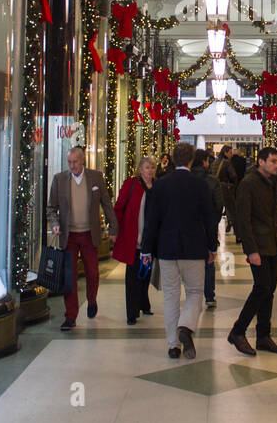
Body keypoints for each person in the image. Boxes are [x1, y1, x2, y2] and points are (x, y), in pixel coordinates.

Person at [140, 141, 218, 359]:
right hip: (194, 248)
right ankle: (185, 326)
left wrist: (146, 250)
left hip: (167, 249)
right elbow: (209, 219)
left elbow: (152, 220)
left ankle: (173, 345)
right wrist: (213, 246)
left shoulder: (161, 185)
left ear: (173, 159)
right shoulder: (200, 185)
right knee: (195, 292)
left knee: (171, 296)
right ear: (191, 160)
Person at [48, 146, 118, 330]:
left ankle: (92, 300)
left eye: (75, 162)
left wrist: (113, 227)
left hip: (89, 233)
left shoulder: (95, 177)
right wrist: (54, 223)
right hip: (68, 235)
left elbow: (106, 203)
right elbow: (51, 208)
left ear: (82, 161)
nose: (72, 166)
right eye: (69, 162)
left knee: (93, 273)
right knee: (69, 277)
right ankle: (70, 316)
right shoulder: (59, 179)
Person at [228, 145, 277, 356]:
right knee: (262, 288)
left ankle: (263, 336)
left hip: (273, 242)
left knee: (269, 290)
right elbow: (243, 220)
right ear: (261, 162)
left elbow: (276, 209)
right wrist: (250, 250)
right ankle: (238, 331)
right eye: (273, 162)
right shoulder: (248, 184)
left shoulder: (275, 181)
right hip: (258, 245)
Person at [112, 155, 157, 325]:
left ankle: (144, 304)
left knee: (146, 274)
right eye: (147, 167)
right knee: (132, 277)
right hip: (134, 239)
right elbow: (118, 208)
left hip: (150, 240)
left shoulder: (157, 187)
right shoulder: (130, 184)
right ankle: (132, 313)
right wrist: (115, 230)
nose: (150, 171)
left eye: (152, 167)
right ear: (140, 169)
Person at [191, 147, 223, 309]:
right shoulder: (212, 181)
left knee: (190, 262)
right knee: (208, 260)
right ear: (204, 162)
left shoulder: (187, 180)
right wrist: (213, 222)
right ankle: (209, 296)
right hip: (207, 227)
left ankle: (192, 294)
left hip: (189, 229)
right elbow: (219, 206)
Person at [214, 144, 237, 231]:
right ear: (225, 153)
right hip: (225, 189)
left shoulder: (214, 162)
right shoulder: (227, 163)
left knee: (216, 213)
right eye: (230, 153)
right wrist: (233, 185)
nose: (231, 155)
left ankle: (214, 235)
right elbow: (233, 176)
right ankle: (238, 234)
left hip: (215, 189)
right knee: (232, 210)